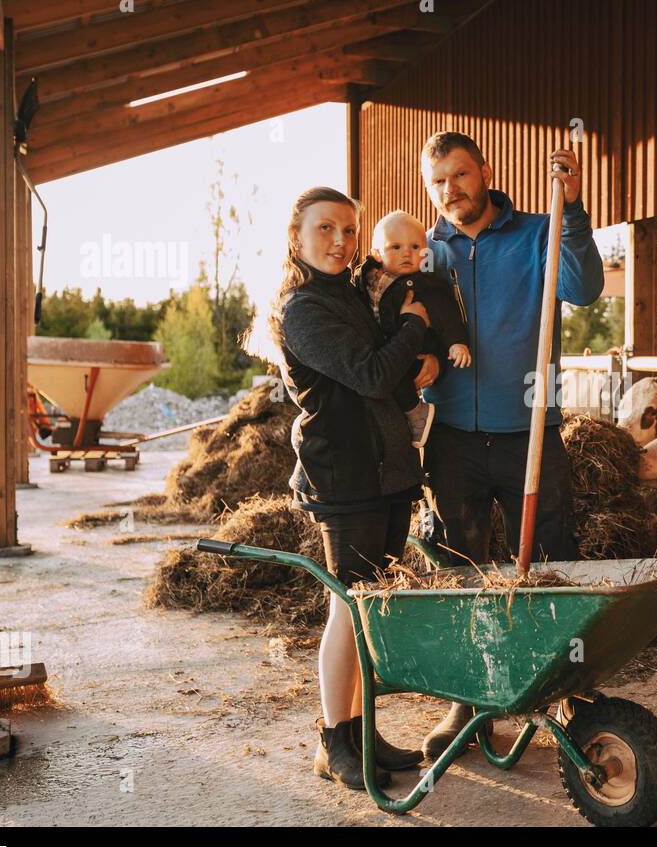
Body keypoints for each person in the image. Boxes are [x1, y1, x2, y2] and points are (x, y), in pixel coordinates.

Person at [417, 132, 605, 759]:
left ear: (486, 172)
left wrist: (571, 207)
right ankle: (466, 703)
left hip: (531, 430)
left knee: (555, 557)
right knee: (460, 567)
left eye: (461, 175)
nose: (451, 190)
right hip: (451, 438)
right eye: (439, 180)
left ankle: (569, 690)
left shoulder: (535, 231)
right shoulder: (427, 252)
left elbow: (582, 288)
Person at [244, 186, 434, 790]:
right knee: (347, 608)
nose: (341, 242)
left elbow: (388, 369)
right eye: (325, 229)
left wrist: (417, 357)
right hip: (345, 476)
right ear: (296, 238)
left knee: (369, 608)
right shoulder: (303, 309)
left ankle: (361, 731)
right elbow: (372, 372)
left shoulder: (349, 293)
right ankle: (334, 741)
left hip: (388, 471)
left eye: (349, 231)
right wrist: (414, 329)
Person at [360, 210, 472, 448]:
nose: (407, 254)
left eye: (415, 247)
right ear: (376, 253)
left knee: (399, 376)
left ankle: (416, 412)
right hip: (380, 350)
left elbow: (446, 315)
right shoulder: (363, 280)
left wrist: (456, 342)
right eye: (396, 247)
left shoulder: (426, 284)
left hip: (415, 349)